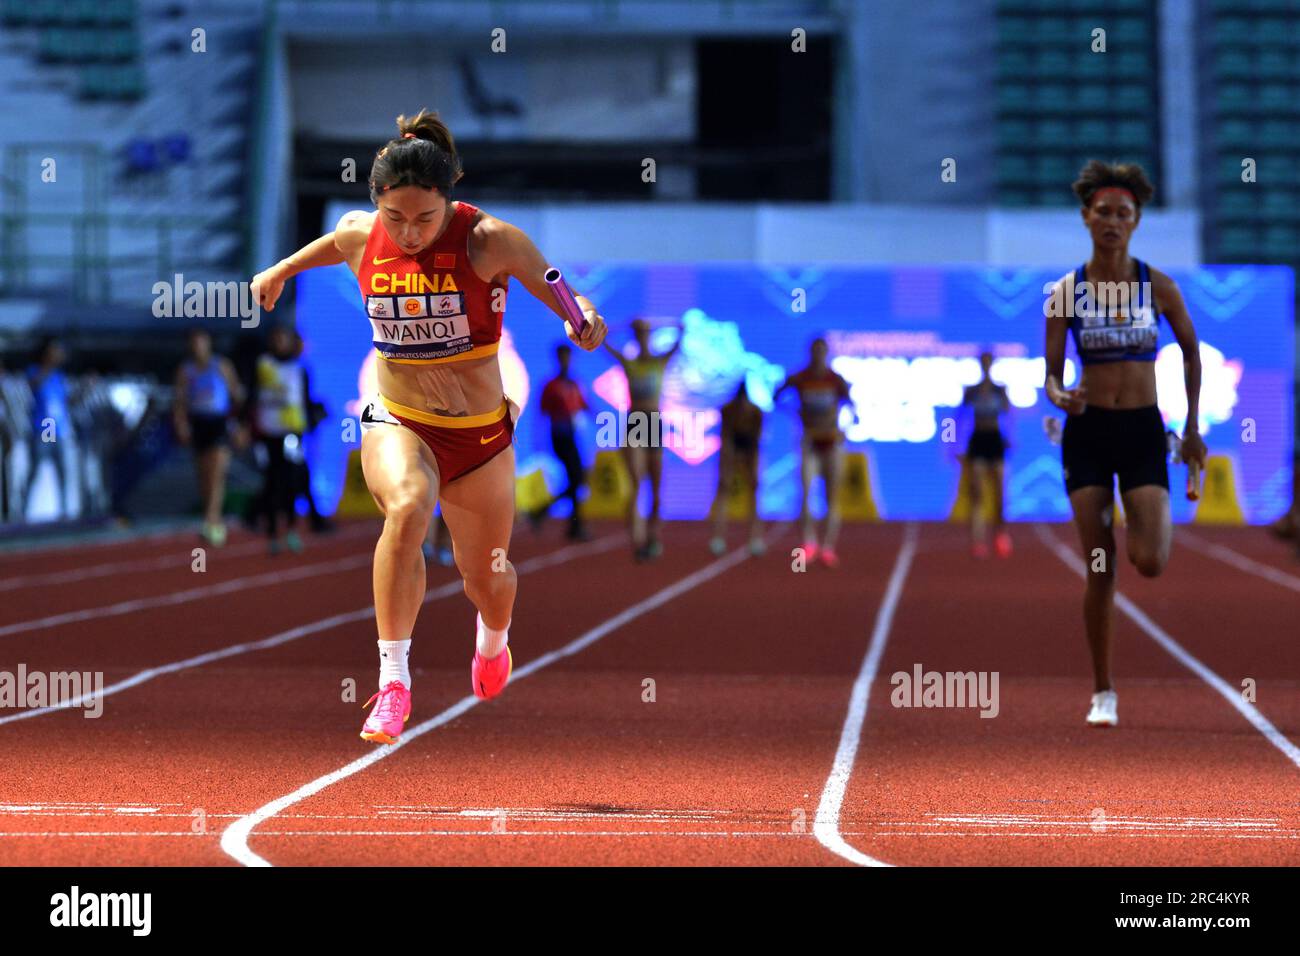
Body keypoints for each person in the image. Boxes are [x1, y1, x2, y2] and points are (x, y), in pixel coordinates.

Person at [250, 109, 607, 745]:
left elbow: (554, 286)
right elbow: (334, 244)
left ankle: (492, 641)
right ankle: (393, 682)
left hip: (479, 439)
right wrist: (279, 270)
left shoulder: (492, 240)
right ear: (376, 205)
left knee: (487, 580)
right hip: (398, 418)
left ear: (451, 197)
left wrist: (581, 318)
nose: (409, 233)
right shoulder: (363, 234)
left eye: (424, 218)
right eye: (396, 218)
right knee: (410, 508)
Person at [1044, 160, 1206, 728]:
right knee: (1101, 566)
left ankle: (1151, 503)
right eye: (1103, 212)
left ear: (1136, 223)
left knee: (1151, 561)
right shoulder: (1065, 293)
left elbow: (1190, 351)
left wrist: (1190, 428)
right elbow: (1052, 376)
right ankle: (1103, 690)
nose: (1112, 221)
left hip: (1141, 431)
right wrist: (1059, 395)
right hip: (1087, 437)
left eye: (1124, 213)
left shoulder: (1157, 286)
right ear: (1086, 217)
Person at [603, 317, 683, 561]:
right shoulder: (630, 363)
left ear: (649, 336)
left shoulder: (659, 362)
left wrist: (681, 330)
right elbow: (605, 345)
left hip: (654, 423)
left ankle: (653, 537)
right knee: (636, 483)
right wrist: (605, 330)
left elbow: (678, 344)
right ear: (635, 337)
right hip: (635, 423)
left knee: (656, 489)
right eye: (638, 334)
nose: (642, 338)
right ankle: (637, 543)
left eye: (645, 333)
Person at [774, 338, 856, 568]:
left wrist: (844, 430)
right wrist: (793, 412)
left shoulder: (835, 379)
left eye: (822, 350)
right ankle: (808, 542)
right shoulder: (800, 378)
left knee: (832, 496)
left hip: (831, 442)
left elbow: (853, 406)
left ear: (827, 353)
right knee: (806, 492)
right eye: (815, 350)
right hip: (809, 441)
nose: (818, 354)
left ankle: (828, 547)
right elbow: (776, 397)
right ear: (810, 352)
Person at [172, 326, 245, 546]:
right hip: (199, 423)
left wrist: (239, 425)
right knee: (203, 475)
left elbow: (237, 396)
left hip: (219, 423)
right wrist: (181, 424)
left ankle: (210, 519)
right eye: (193, 342)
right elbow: (180, 401)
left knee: (216, 472)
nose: (197, 347)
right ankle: (214, 519)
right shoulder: (186, 371)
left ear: (208, 343)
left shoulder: (221, 366)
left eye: (201, 341)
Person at [246, 324, 309, 556]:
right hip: (268, 431)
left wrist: (312, 422)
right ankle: (272, 533)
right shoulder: (263, 365)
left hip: (292, 431)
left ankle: (291, 529)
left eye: (284, 337)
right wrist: (247, 427)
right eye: (277, 337)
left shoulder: (299, 368)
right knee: (272, 481)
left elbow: (306, 399)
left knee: (292, 480)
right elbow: (251, 395)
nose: (280, 342)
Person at [530, 343, 591, 540]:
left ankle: (545, 513)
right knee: (577, 478)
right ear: (558, 359)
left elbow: (585, 406)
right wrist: (539, 442)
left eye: (568, 357)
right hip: (560, 437)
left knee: (576, 479)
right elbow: (541, 414)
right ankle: (573, 525)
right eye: (563, 357)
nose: (566, 361)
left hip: (573, 436)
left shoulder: (574, 384)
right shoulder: (551, 385)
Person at [960, 350, 1013, 559]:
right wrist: (952, 445)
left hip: (995, 439)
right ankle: (978, 540)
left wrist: (1010, 438)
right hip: (978, 440)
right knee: (977, 493)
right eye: (983, 363)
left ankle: (1000, 534)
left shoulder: (1000, 391)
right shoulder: (971, 391)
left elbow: (1010, 416)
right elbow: (954, 419)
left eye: (988, 363)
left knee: (999, 492)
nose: (985, 366)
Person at [706, 380, 765, 556]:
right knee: (723, 488)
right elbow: (725, 438)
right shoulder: (727, 410)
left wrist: (750, 465)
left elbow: (756, 440)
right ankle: (717, 537)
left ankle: (755, 538)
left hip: (749, 447)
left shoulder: (756, 412)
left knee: (754, 489)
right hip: (731, 446)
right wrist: (729, 461)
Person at [23, 337, 74, 521]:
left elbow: (66, 402)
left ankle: (64, 510)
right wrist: (50, 364)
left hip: (58, 428)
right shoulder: (36, 371)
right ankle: (24, 510)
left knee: (62, 470)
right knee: (36, 469)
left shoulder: (59, 377)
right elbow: (34, 384)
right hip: (45, 427)